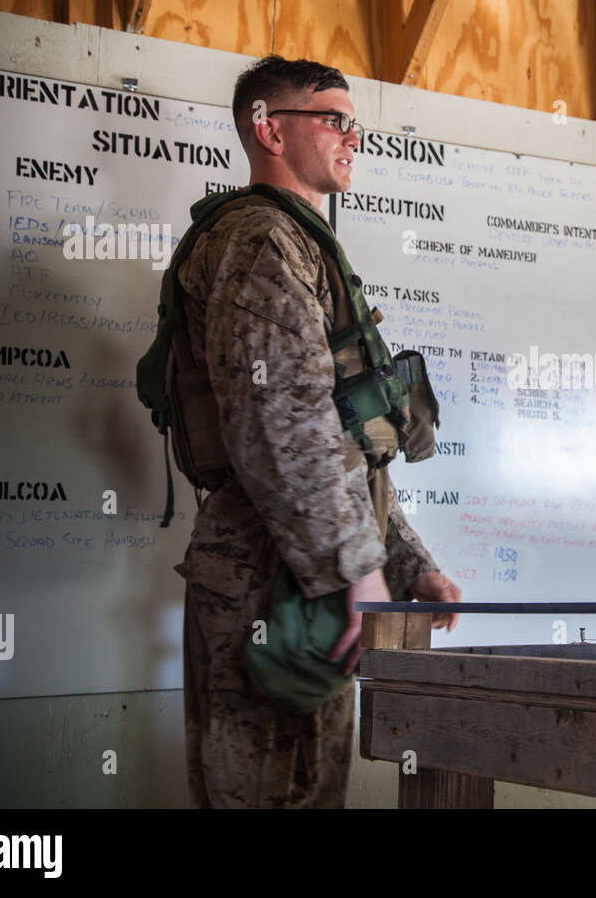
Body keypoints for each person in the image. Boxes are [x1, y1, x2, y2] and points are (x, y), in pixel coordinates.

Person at [173, 55, 461, 807]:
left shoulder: (299, 242)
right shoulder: (261, 240)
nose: (351, 136)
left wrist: (401, 562)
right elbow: (280, 423)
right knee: (271, 792)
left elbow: (341, 442)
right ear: (268, 128)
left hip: (310, 578)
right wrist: (352, 570)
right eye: (332, 119)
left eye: (354, 123)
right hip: (271, 585)